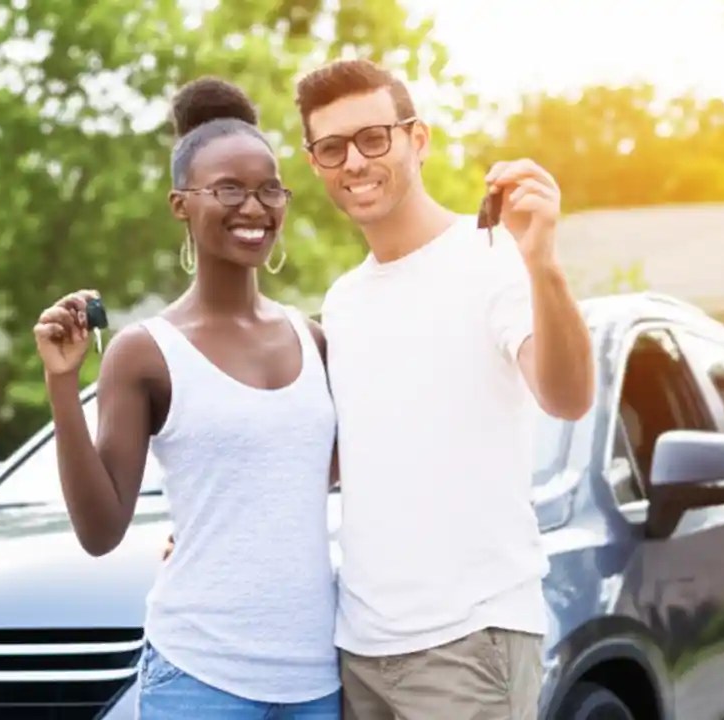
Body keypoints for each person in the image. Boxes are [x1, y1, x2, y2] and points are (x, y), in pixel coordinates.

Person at [292, 59, 596, 719]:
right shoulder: (343, 301)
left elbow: (568, 397)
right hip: (358, 647)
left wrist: (542, 262)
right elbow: (340, 458)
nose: (355, 162)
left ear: (417, 140)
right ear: (314, 163)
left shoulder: (492, 257)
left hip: (469, 639)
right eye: (332, 147)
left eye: (374, 138)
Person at [33, 77, 341, 719]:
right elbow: (100, 531)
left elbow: (324, 486)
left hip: (315, 677)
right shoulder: (145, 352)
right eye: (228, 189)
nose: (253, 208)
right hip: (199, 674)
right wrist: (64, 387)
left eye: (268, 190)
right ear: (180, 203)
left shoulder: (314, 340)